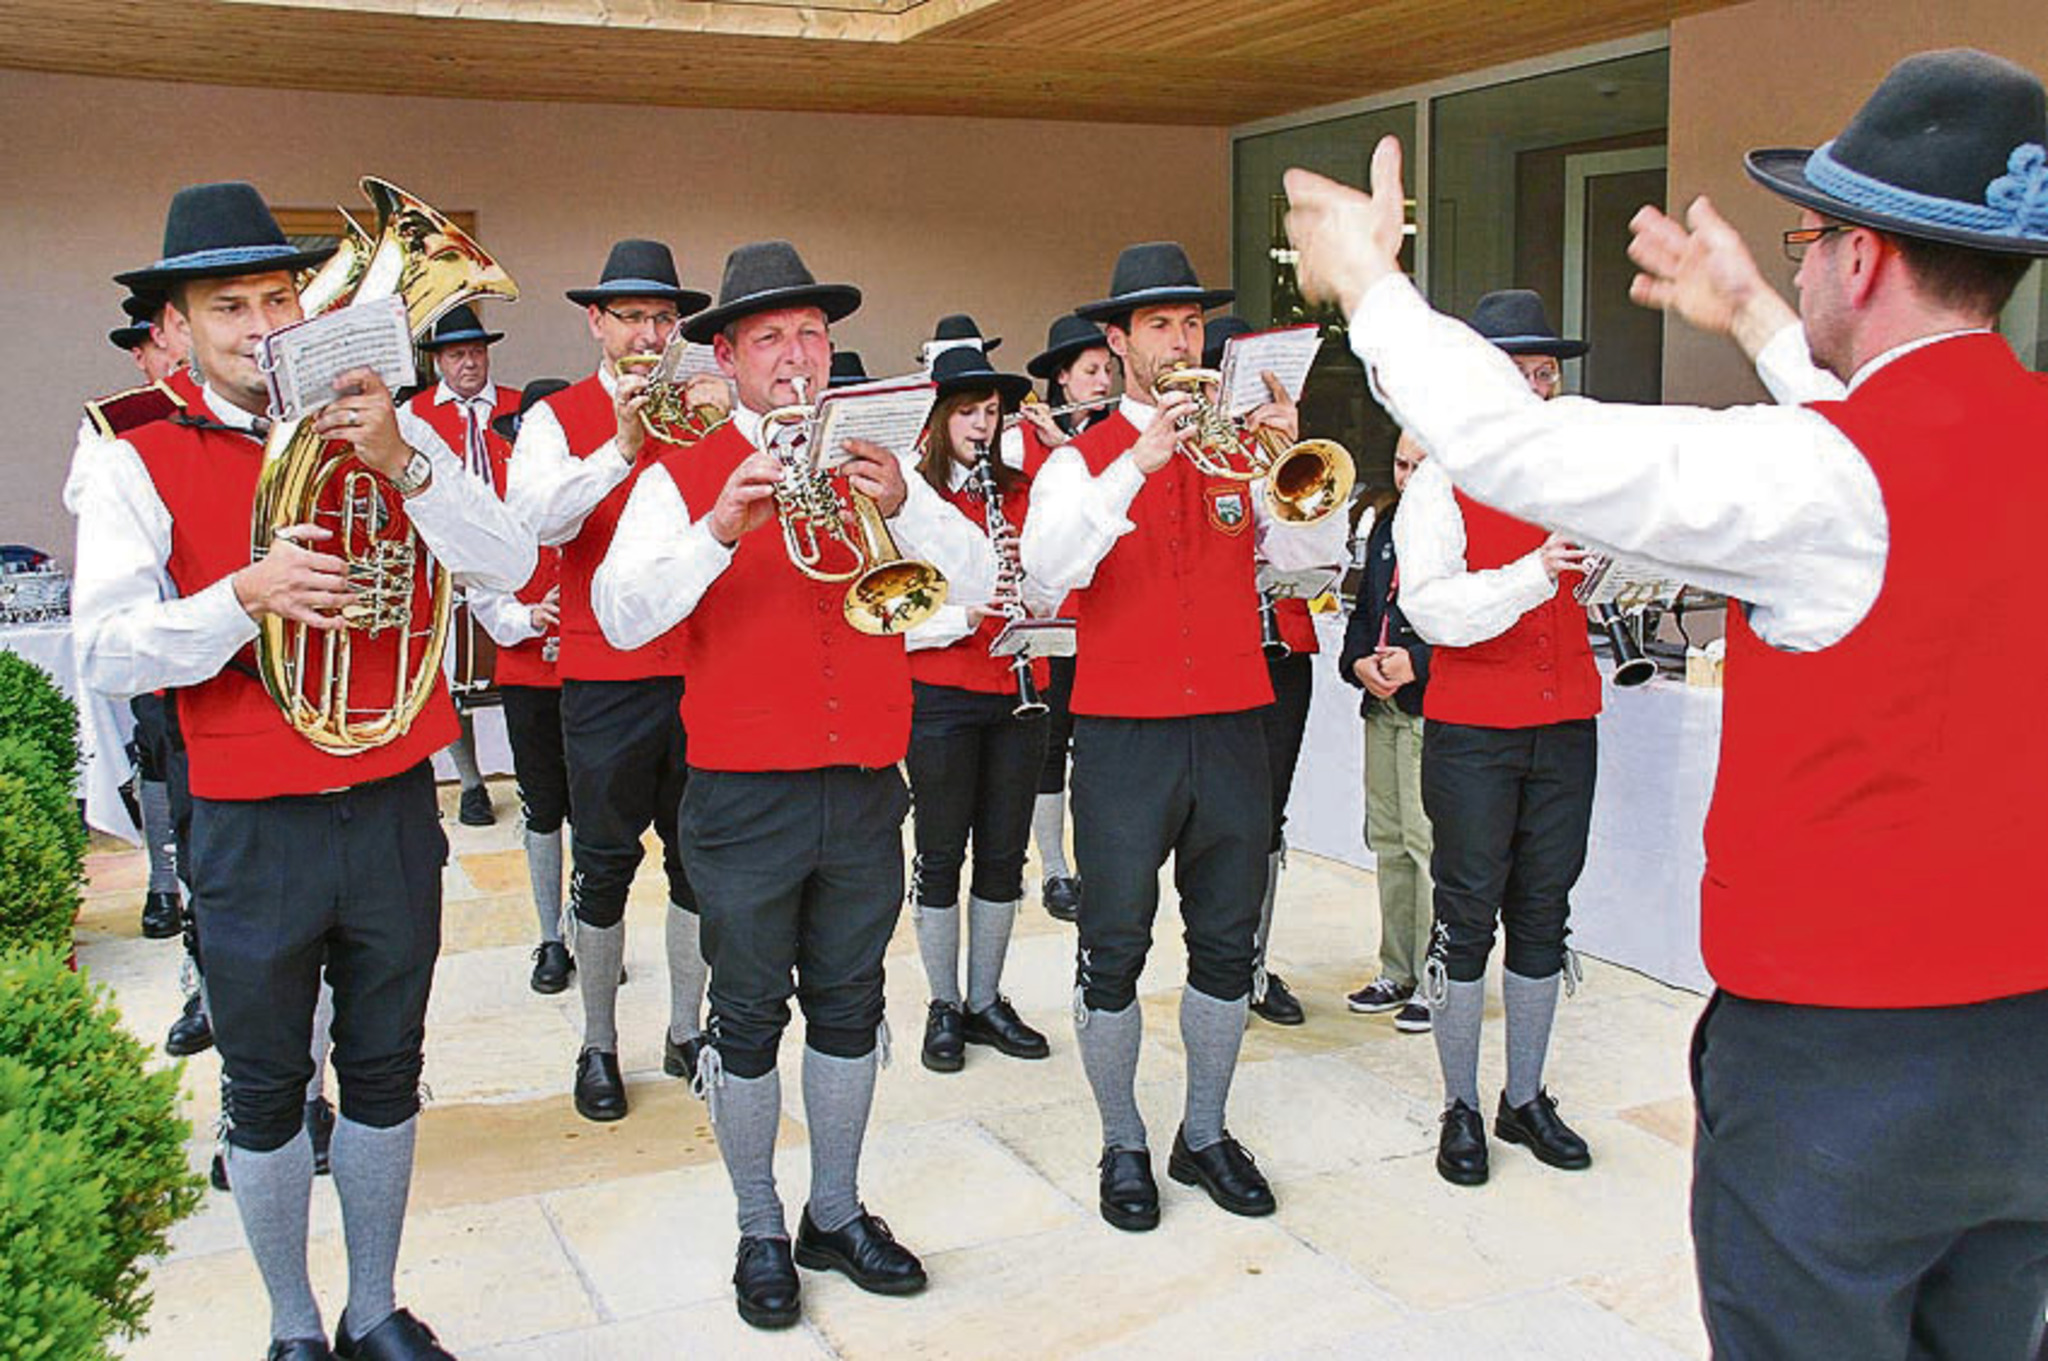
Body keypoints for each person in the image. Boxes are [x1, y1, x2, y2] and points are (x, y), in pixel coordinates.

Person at [1283, 46, 2048, 1356]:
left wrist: (1373, 288)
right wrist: (1756, 318)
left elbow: (1523, 445)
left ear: (1859, 261)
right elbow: (1869, 428)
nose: (1797, 261)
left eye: (1805, 237)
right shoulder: (1987, 439)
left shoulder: (1825, 483)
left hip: (1841, 1069)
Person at [73, 180, 535, 1361]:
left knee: (387, 1064)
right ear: (178, 324)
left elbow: (513, 558)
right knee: (268, 1086)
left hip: (386, 797)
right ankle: (290, 1323)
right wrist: (244, 594)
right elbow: (108, 647)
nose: (260, 324)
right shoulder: (127, 441)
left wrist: (408, 465)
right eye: (227, 306)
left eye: (279, 296)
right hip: (248, 818)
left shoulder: (381, 413)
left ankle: (373, 1302)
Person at [593, 240, 997, 1330]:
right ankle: (756, 1222)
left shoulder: (874, 460)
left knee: (852, 1002)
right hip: (740, 789)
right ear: (723, 357)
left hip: (865, 776)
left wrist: (905, 494)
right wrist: (721, 525)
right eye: (768, 337)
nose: (795, 355)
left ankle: (833, 1206)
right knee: (745, 1015)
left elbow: (976, 583)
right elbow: (622, 613)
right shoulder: (680, 473)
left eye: (810, 334)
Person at [1021, 241, 1346, 1234]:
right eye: (1157, 325)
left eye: (1190, 324)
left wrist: (1285, 458)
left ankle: (1201, 1130)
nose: (1179, 341)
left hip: (1234, 723)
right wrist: (1135, 459)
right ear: (1115, 342)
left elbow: (1304, 564)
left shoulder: (1234, 452)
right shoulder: (1078, 459)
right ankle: (1121, 1135)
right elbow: (1043, 574)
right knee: (1113, 945)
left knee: (1224, 940)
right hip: (1124, 735)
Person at [1380, 286, 1602, 1189]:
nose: (1541, 387)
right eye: (1525, 372)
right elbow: (1431, 609)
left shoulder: (1578, 474)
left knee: (1546, 908)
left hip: (1566, 719)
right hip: (1475, 729)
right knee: (1467, 914)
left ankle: (1526, 1094)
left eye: (1547, 372)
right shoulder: (1440, 480)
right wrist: (1533, 572)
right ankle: (1460, 1104)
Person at [505, 239, 723, 1123]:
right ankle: (597, 1040)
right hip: (604, 674)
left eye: (664, 318)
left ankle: (684, 1027)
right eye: (631, 316)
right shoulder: (557, 416)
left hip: (701, 668)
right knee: (600, 866)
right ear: (595, 323)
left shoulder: (705, 403)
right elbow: (533, 523)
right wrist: (622, 450)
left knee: (698, 864)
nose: (648, 333)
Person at [903, 346, 1058, 1073]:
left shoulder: (1023, 489)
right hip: (940, 692)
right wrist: (961, 616)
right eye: (966, 411)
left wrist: (1035, 594)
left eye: (990, 412)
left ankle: (986, 996)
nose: (981, 424)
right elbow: (892, 605)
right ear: (937, 418)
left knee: (1003, 850)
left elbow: (1059, 584)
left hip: (1019, 692)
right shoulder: (910, 497)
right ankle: (942, 1001)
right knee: (939, 852)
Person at [1204, 313, 1328, 1028]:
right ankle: (1222, 960)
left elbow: (1316, 546)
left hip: (1285, 648)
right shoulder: (1201, 449)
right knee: (1228, 821)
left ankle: (1253, 958)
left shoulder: (1281, 445)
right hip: (1223, 654)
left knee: (1270, 817)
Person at [469, 378, 575, 994]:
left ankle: (590, 926)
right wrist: (528, 618)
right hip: (530, 673)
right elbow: (485, 594)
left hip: (594, 676)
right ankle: (549, 938)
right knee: (542, 810)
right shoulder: (502, 507)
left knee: (594, 815)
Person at [1015, 312, 1120, 923]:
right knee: (1050, 747)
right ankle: (1054, 868)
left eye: (1107, 369)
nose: (1100, 379)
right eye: (1090, 371)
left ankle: (1094, 863)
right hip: (1055, 614)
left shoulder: (1116, 442)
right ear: (1062, 379)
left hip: (1107, 614)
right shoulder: (1019, 440)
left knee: (1099, 749)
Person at [407, 304, 521, 828]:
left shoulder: (524, 407)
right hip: (444, 559)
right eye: (458, 354)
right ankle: (471, 781)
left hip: (514, 553)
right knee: (452, 675)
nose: (470, 363)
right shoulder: (413, 417)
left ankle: (535, 773)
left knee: (525, 666)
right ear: (439, 363)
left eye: (477, 352)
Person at [1337, 432, 1434, 1034]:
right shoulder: (1386, 524)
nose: (1406, 477)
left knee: (1428, 844)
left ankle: (1435, 975)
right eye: (1400, 464)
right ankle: (1396, 968)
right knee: (1389, 838)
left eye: (1421, 466)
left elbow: (1472, 621)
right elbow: (1366, 610)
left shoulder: (1458, 527)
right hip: (1383, 705)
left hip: (1429, 704)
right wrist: (1356, 664)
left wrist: (1417, 661)